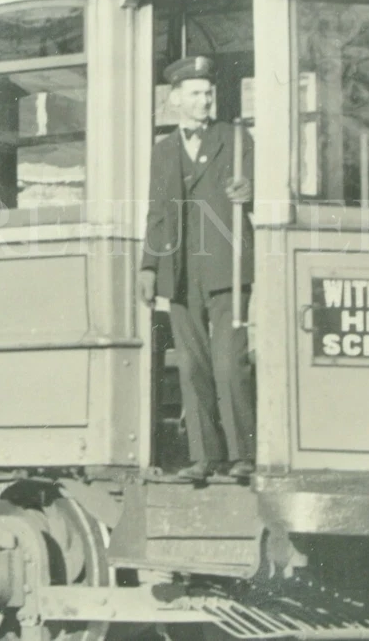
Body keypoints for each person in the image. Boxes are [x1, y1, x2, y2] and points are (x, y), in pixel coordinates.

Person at [138, 56, 256, 481]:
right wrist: (149, 266)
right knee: (191, 368)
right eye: (195, 94)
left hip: (227, 268)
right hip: (180, 272)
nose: (205, 100)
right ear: (175, 100)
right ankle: (204, 458)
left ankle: (243, 455)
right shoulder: (163, 151)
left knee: (229, 363)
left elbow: (260, 184)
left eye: (208, 93)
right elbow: (157, 212)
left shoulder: (235, 139)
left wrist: (251, 189)